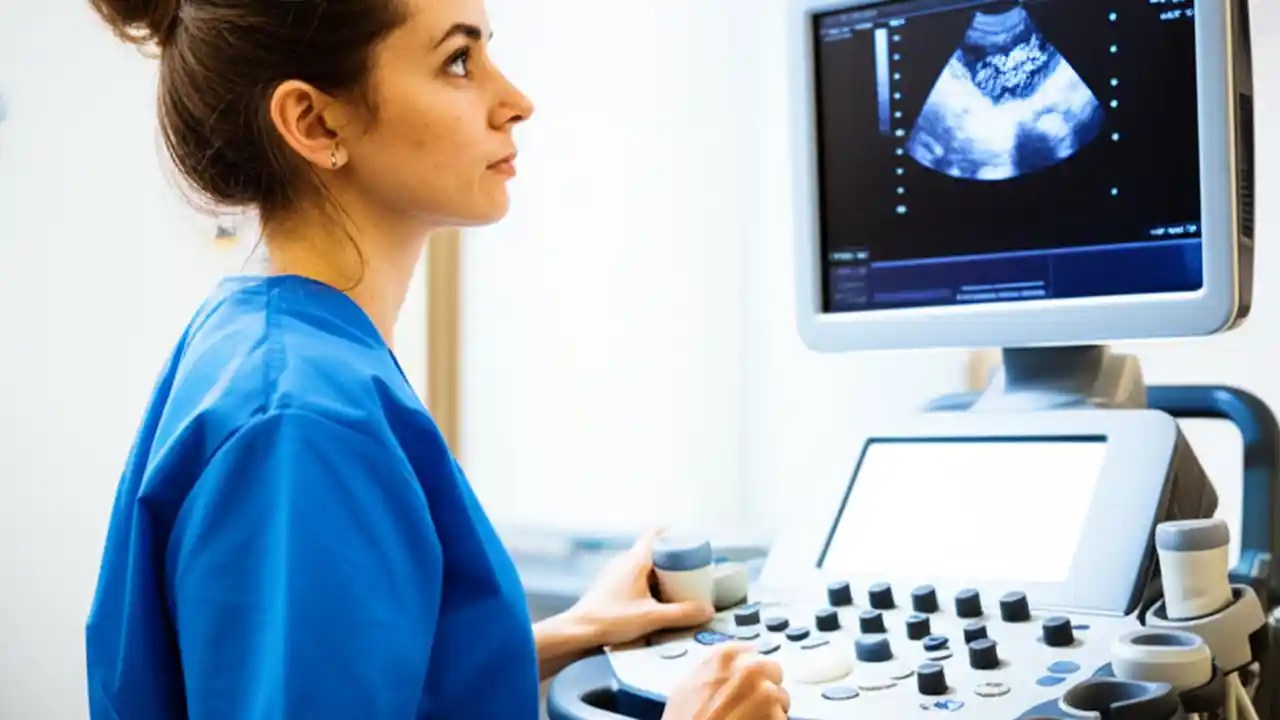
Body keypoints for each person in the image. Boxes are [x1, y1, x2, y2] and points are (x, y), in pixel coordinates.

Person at [83, 0, 791, 718]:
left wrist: (580, 630)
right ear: (316, 123)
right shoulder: (302, 423)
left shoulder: (272, 346)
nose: (516, 101)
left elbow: (376, 680)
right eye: (458, 60)